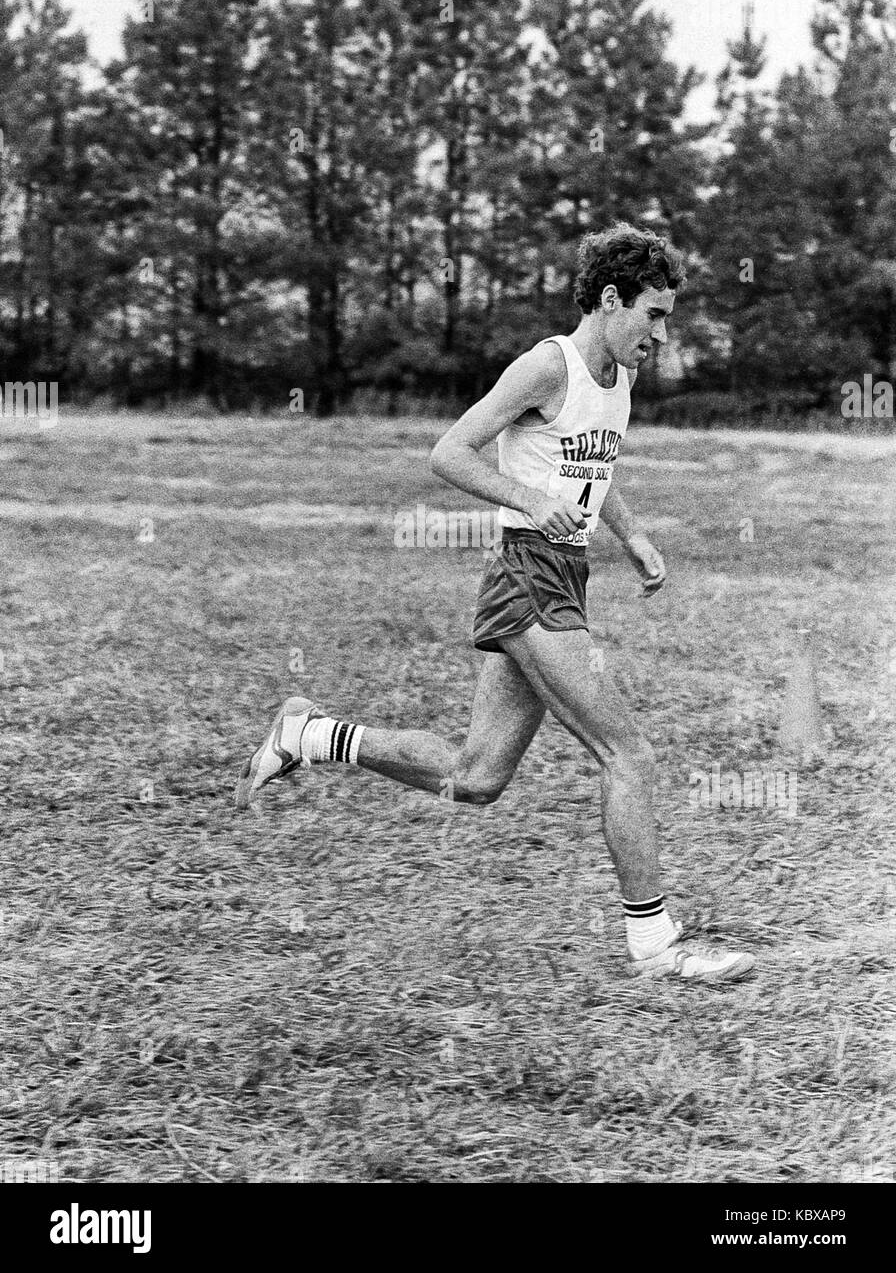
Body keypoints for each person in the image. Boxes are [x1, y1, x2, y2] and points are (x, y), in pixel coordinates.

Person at [236, 222, 754, 984]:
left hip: (564, 574)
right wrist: (525, 499)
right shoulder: (549, 367)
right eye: (653, 314)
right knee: (628, 753)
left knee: (475, 778)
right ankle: (657, 947)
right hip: (527, 574)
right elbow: (449, 451)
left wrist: (632, 534)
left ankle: (308, 735)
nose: (662, 334)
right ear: (611, 300)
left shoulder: (621, 377)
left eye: (666, 317)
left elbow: (596, 465)